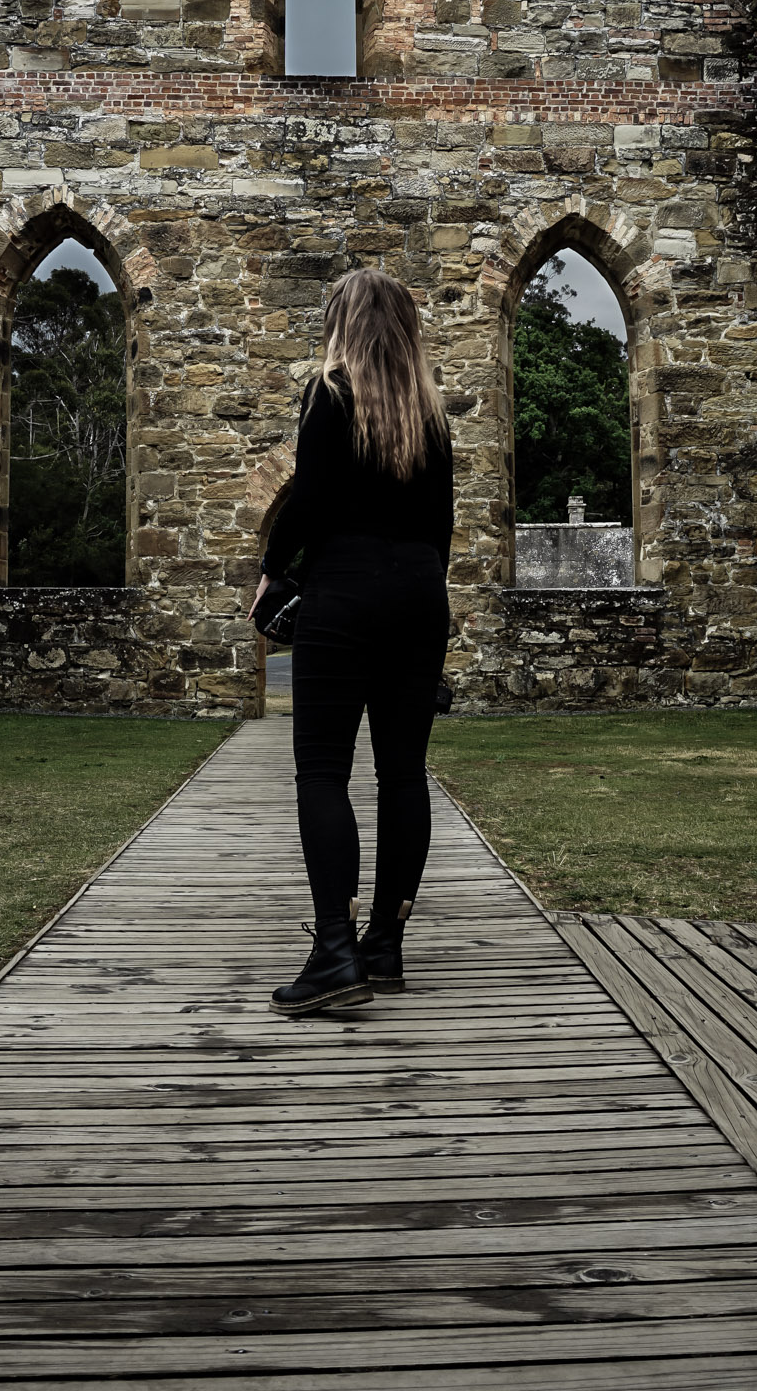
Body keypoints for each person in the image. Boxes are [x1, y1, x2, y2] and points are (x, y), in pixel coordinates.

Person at [248, 268, 453, 1016]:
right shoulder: (429, 412)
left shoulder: (329, 392)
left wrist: (273, 573)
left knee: (323, 771)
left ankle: (334, 951)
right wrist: (424, 595)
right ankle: (384, 948)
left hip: (343, 589)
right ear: (403, 326)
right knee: (403, 774)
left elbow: (308, 496)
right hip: (418, 592)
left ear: (342, 322)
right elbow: (442, 527)